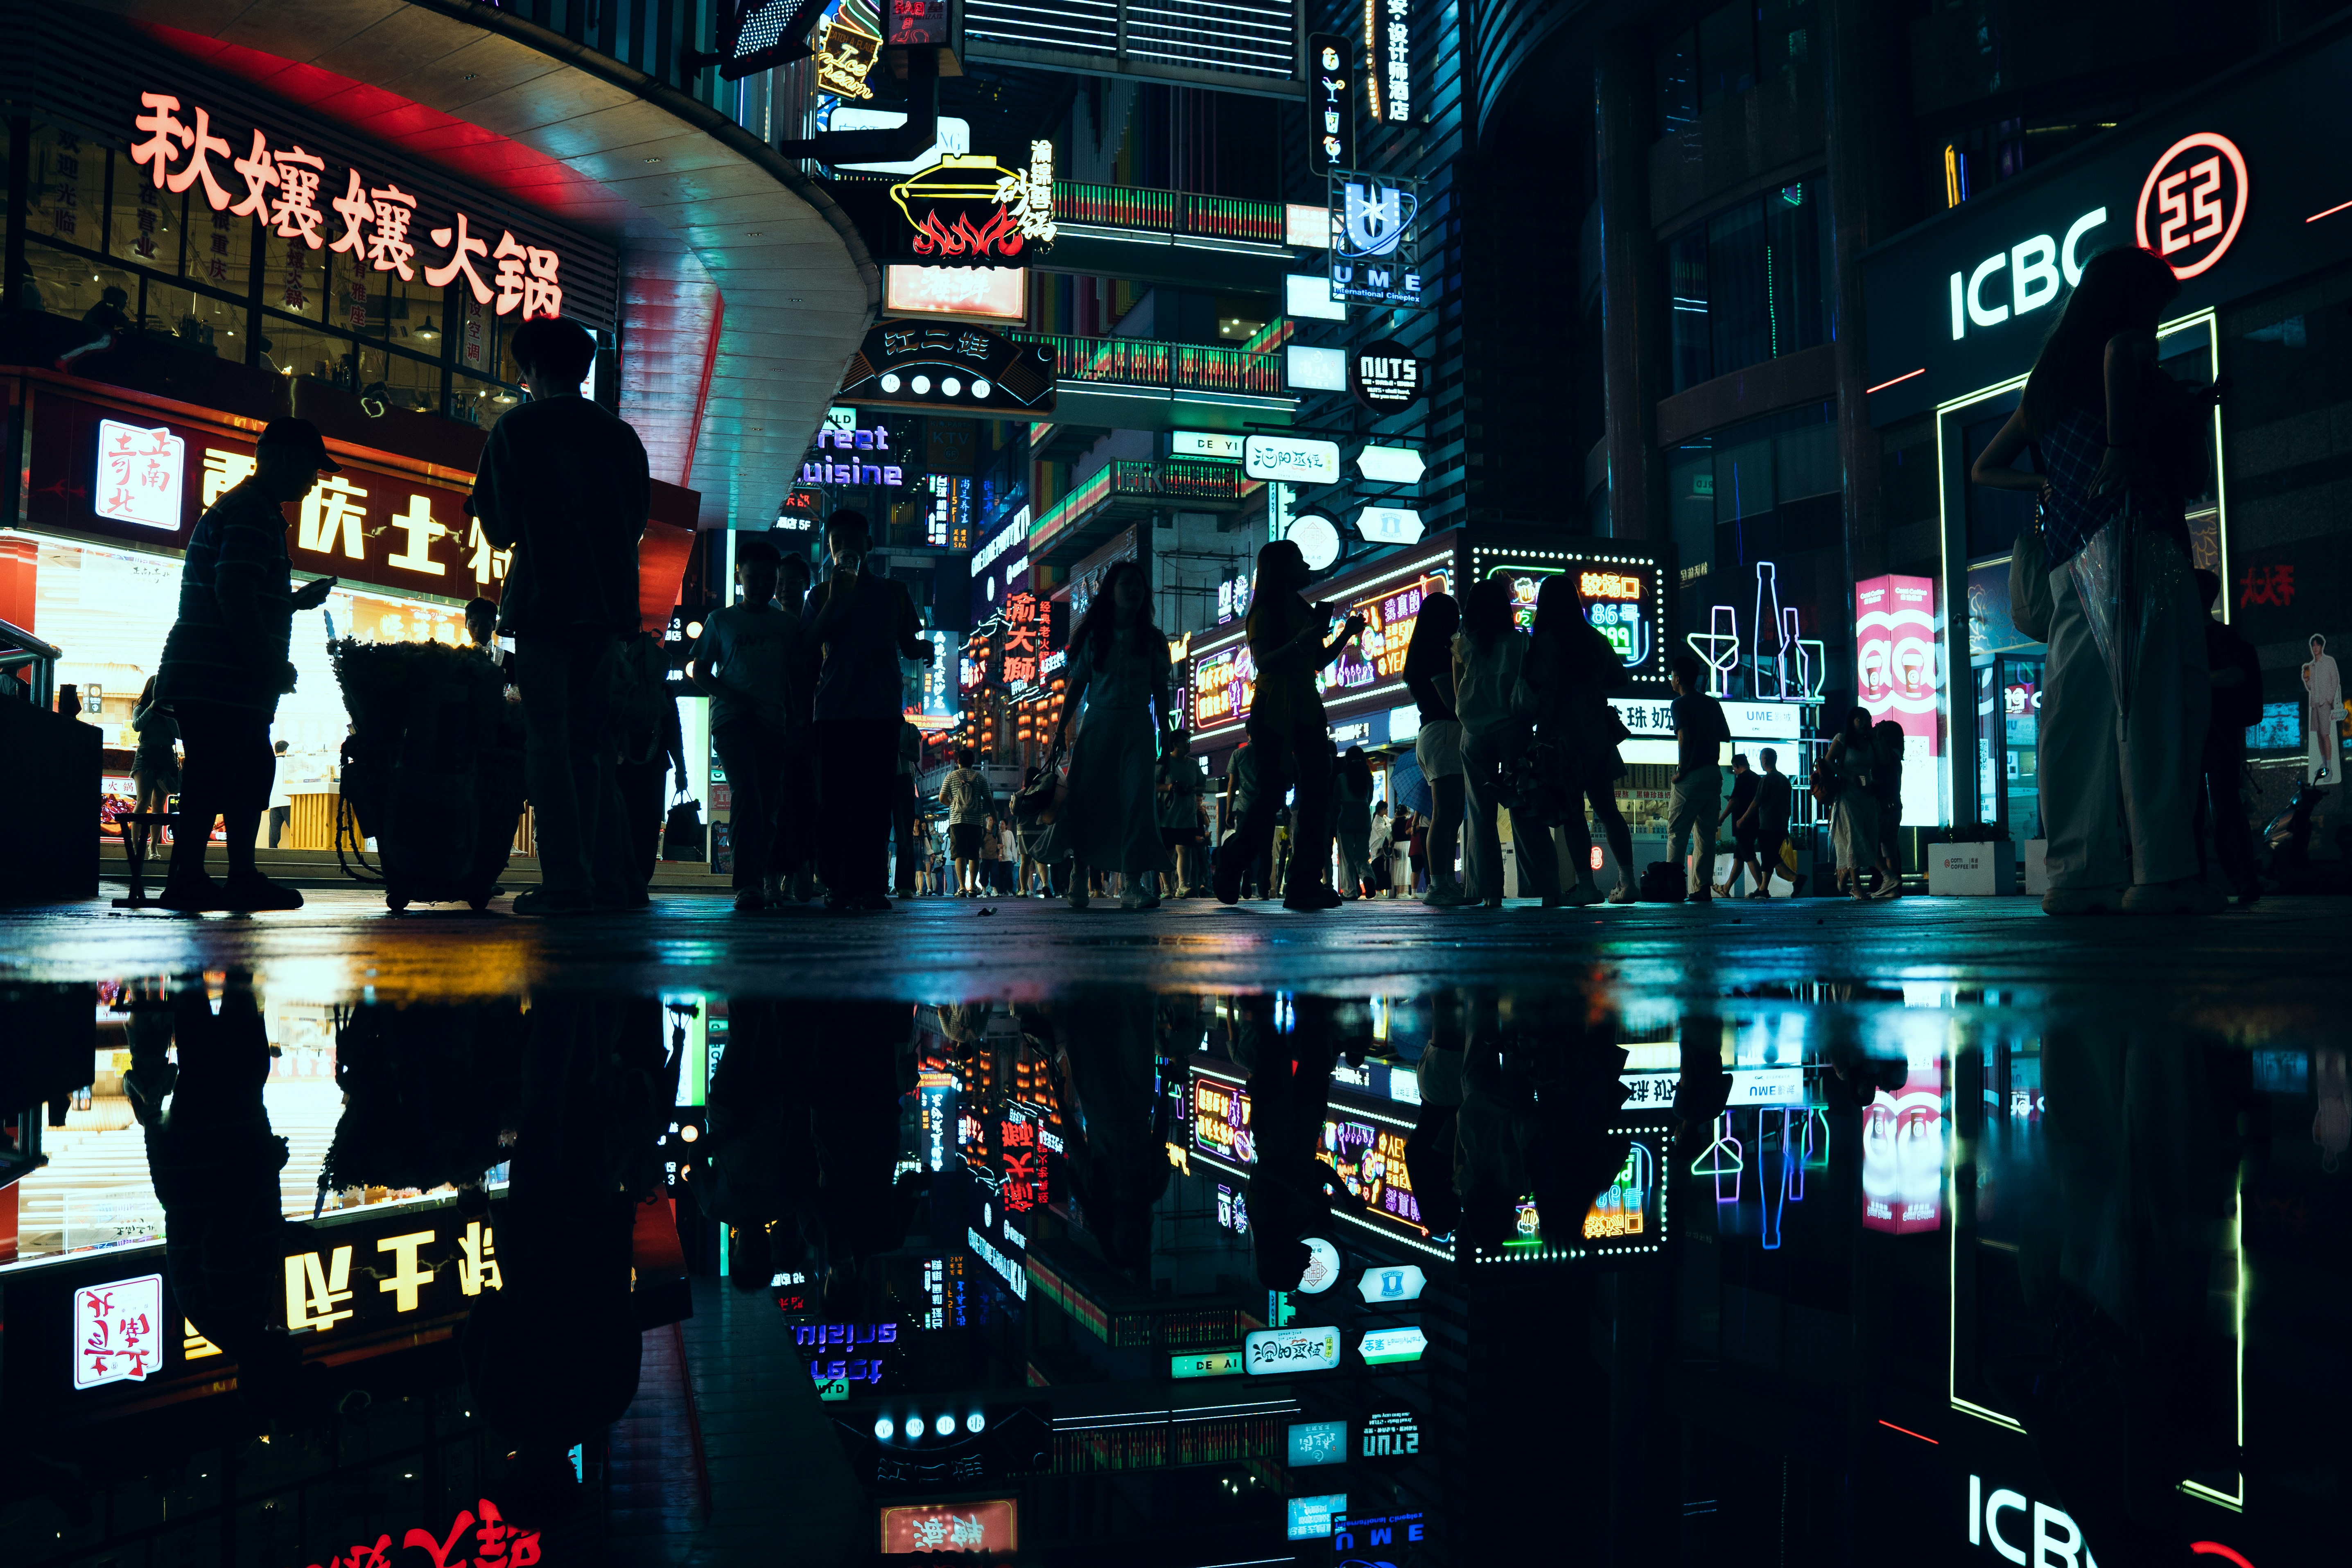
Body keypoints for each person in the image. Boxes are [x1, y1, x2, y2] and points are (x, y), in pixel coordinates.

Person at [1970, 245, 2219, 915]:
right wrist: (2130, 440)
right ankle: (2161, 873)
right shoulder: (2131, 352)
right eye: (2158, 303)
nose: (2160, 319)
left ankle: (2077, 874)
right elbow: (2125, 356)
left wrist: (2045, 481)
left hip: (2068, 559)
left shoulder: (2046, 384)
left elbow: (1984, 469)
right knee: (2155, 706)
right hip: (2138, 543)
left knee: (2074, 719)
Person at [472, 315, 650, 917]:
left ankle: (567, 880)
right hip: (604, 607)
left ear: (531, 370)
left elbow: (498, 528)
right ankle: (608, 879)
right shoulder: (620, 436)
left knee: (547, 742)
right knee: (592, 745)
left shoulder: (517, 428)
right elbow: (635, 526)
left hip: (545, 602)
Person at [153, 417, 340, 912]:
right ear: (281, 458)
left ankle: (216, 875)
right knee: (227, 772)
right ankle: (206, 877)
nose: (314, 480)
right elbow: (233, 595)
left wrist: (291, 602)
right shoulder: (252, 513)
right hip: (222, 675)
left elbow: (242, 589)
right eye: (310, 468)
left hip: (216, 674)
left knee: (232, 771)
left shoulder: (248, 511)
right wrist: (268, 664)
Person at [1214, 542, 1361, 911]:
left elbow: (1317, 659)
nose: (1306, 566)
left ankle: (1303, 883)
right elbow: (1264, 663)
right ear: (1281, 568)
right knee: (1271, 796)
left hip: (1307, 709)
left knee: (1316, 796)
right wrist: (1303, 640)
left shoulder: (1300, 608)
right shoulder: (1264, 612)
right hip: (1273, 711)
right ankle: (1231, 864)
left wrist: (1344, 634)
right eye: (1299, 560)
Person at [804, 511, 926, 910]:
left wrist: (923, 651)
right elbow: (808, 646)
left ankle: (872, 886)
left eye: (853, 539)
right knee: (834, 803)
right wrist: (835, 599)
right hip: (834, 712)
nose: (845, 547)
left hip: (881, 710)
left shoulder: (895, 592)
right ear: (830, 547)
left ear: (868, 545)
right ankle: (837, 885)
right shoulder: (819, 595)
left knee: (874, 803)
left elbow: (909, 644)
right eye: (837, 540)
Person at [1047, 559, 1173, 910]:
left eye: (1139, 585)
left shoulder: (1152, 639)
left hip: (1137, 728)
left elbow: (1160, 688)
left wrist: (1165, 731)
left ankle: (1131, 885)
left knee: (1137, 803)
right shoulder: (1093, 636)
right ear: (1111, 592)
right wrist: (1060, 731)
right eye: (1126, 584)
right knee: (1087, 800)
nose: (1134, 590)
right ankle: (1078, 874)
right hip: (1098, 725)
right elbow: (1077, 686)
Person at [689, 542, 803, 912]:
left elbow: (797, 678)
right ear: (739, 575)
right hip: (732, 721)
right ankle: (748, 884)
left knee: (768, 801)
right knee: (748, 792)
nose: (761, 586)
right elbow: (700, 672)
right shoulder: (721, 621)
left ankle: (761, 875)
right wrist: (733, 697)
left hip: (773, 724)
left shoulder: (786, 625)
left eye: (768, 580)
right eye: (753, 578)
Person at [1525, 573, 1637, 906]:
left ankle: (1586, 885)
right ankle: (1628, 882)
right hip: (1597, 735)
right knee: (1608, 810)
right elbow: (1621, 677)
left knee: (1573, 814)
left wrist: (1539, 738)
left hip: (1563, 740)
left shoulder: (1546, 641)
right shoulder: (1595, 638)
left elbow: (1547, 694)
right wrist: (1592, 684)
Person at [1452, 580, 1542, 908]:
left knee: (1479, 813)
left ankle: (1487, 892)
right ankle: (1543, 886)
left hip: (1474, 732)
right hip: (1513, 729)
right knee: (1524, 805)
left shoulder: (1463, 645)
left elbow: (1455, 693)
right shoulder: (1520, 642)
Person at [2196, 570, 2262, 905]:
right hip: (2214, 734)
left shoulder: (2218, 637)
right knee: (2222, 807)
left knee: (2220, 808)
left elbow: (2235, 675)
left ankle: (2239, 879)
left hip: (2215, 733)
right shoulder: (2213, 636)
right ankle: (2237, 879)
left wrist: (2195, 679)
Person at [1404, 592, 1469, 905]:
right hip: (1445, 733)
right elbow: (1451, 700)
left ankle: (1443, 883)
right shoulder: (1437, 654)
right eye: (1454, 616)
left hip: (1434, 734)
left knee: (1450, 814)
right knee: (1445, 815)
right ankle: (1438, 885)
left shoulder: (1422, 652)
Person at [1666, 653, 1729, 904]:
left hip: (1691, 775)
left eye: (1672, 676)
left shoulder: (1679, 704)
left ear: (1678, 679)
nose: (1671, 680)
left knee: (1677, 832)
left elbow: (1684, 737)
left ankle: (1672, 886)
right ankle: (1702, 888)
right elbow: (1725, 735)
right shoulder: (1712, 703)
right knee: (1705, 835)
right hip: (1713, 774)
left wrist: (1682, 768)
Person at [1823, 707, 1886, 900]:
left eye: (1869, 719)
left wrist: (1878, 739)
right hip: (1847, 795)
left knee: (1869, 836)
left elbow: (1884, 761)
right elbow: (1828, 761)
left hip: (1867, 796)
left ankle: (1842, 872)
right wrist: (1848, 777)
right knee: (1854, 836)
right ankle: (1856, 887)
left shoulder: (1870, 742)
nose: (1866, 723)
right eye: (1861, 719)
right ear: (1852, 721)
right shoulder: (1842, 739)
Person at [129, 675, 181, 865]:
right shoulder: (141, 707)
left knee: (159, 803)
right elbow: (137, 726)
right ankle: (136, 847)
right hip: (146, 753)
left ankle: (153, 848)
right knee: (142, 801)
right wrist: (153, 708)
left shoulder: (171, 710)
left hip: (165, 754)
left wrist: (167, 715)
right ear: (150, 689)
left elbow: (179, 734)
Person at [1748, 748, 1803, 898]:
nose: (1760, 762)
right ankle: (1764, 889)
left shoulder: (1767, 779)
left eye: (1761, 759)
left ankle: (1795, 879)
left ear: (1765, 760)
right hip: (1781, 825)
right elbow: (1789, 806)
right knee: (1771, 856)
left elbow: (1756, 802)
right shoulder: (1785, 781)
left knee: (1769, 856)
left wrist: (1743, 819)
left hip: (1767, 824)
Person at [939, 747, 992, 896]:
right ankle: (973, 888)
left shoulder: (951, 777)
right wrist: (995, 817)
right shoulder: (980, 778)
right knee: (974, 854)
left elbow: (942, 798)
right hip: (975, 821)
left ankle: (962, 887)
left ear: (958, 762)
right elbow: (989, 799)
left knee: (959, 854)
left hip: (957, 821)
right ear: (973, 762)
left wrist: (954, 805)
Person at [1157, 737, 1206, 897]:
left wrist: (1192, 789)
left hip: (1187, 815)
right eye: (1185, 741)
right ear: (1175, 743)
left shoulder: (1193, 764)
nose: (1189, 744)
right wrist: (1170, 787)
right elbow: (1152, 784)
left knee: (1185, 850)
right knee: (1167, 853)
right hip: (1167, 816)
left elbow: (1202, 784)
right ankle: (1167, 888)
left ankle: (1183, 885)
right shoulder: (1163, 762)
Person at [1871, 719, 1908, 897]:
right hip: (1895, 806)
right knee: (1890, 848)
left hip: (1883, 806)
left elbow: (1882, 764)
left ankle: (1889, 880)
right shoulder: (1897, 753)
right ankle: (1893, 888)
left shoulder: (1887, 755)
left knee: (1870, 844)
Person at [1333, 745, 1375, 897]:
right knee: (1362, 856)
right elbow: (1369, 799)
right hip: (1364, 816)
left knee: (1347, 858)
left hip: (1346, 818)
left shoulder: (1342, 778)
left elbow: (1335, 800)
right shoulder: (1368, 777)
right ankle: (1368, 877)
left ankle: (1351, 891)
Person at [1715, 754, 1759, 897]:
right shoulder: (1757, 778)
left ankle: (1762, 888)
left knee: (1749, 856)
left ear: (1736, 766)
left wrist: (1721, 819)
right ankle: (1726, 889)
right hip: (1755, 822)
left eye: (1734, 769)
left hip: (1743, 824)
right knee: (1739, 858)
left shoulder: (1743, 778)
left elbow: (1734, 801)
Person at [892, 720, 922, 897]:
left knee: (905, 835)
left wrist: (899, 751)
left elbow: (916, 756)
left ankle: (905, 885)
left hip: (903, 779)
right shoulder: (880, 726)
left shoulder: (910, 729)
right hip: (885, 780)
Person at [2305, 634, 2340, 785]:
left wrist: (2329, 698)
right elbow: (2311, 688)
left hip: (2325, 704)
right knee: (2319, 735)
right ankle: (2324, 764)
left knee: (2326, 734)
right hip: (2315, 704)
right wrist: (2306, 680)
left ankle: (2330, 767)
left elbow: (2336, 679)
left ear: (2322, 646)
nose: (2315, 648)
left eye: (2317, 645)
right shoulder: (2311, 666)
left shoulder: (2329, 661)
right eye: (2313, 646)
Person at [265, 739, 292, 847]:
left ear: (276, 752)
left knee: (274, 831)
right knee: (294, 829)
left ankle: (271, 852)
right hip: (288, 800)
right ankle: (299, 849)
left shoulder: (270, 763)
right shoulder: (291, 763)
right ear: (287, 751)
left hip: (274, 801)